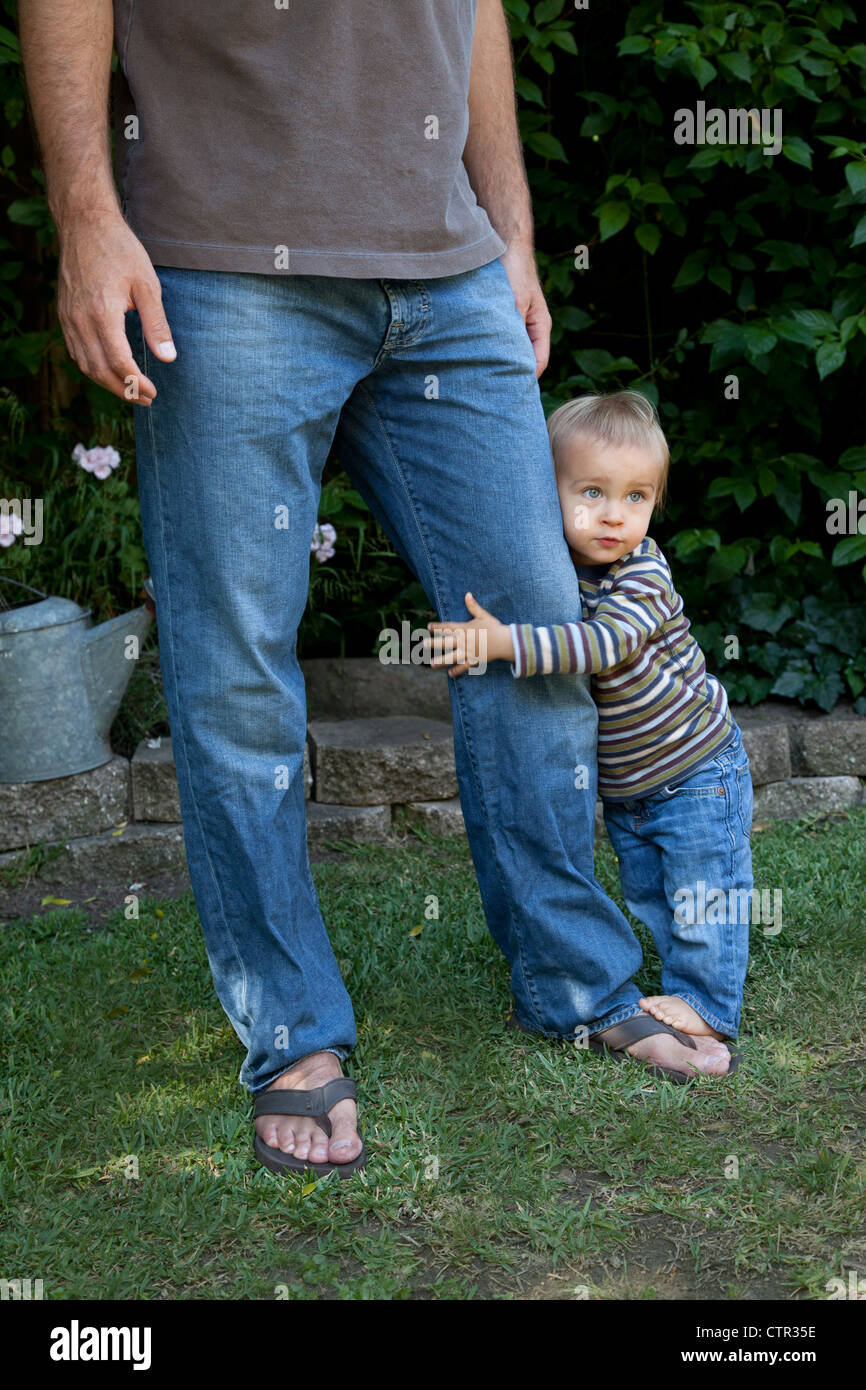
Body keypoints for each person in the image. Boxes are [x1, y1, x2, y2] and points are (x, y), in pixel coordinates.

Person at [20, 1, 730, 1182]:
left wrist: (508, 228)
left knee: (529, 629)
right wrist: (87, 216)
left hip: (448, 271)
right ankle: (293, 1035)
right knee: (237, 671)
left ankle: (575, 982)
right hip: (222, 258)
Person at [428, 391, 753, 1070]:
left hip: (695, 769)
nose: (614, 514)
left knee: (702, 890)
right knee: (650, 891)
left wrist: (504, 644)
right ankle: (677, 983)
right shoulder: (566, 572)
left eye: (636, 497)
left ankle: (710, 1005)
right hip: (633, 784)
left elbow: (601, 647)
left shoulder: (643, 576)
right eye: (592, 492)